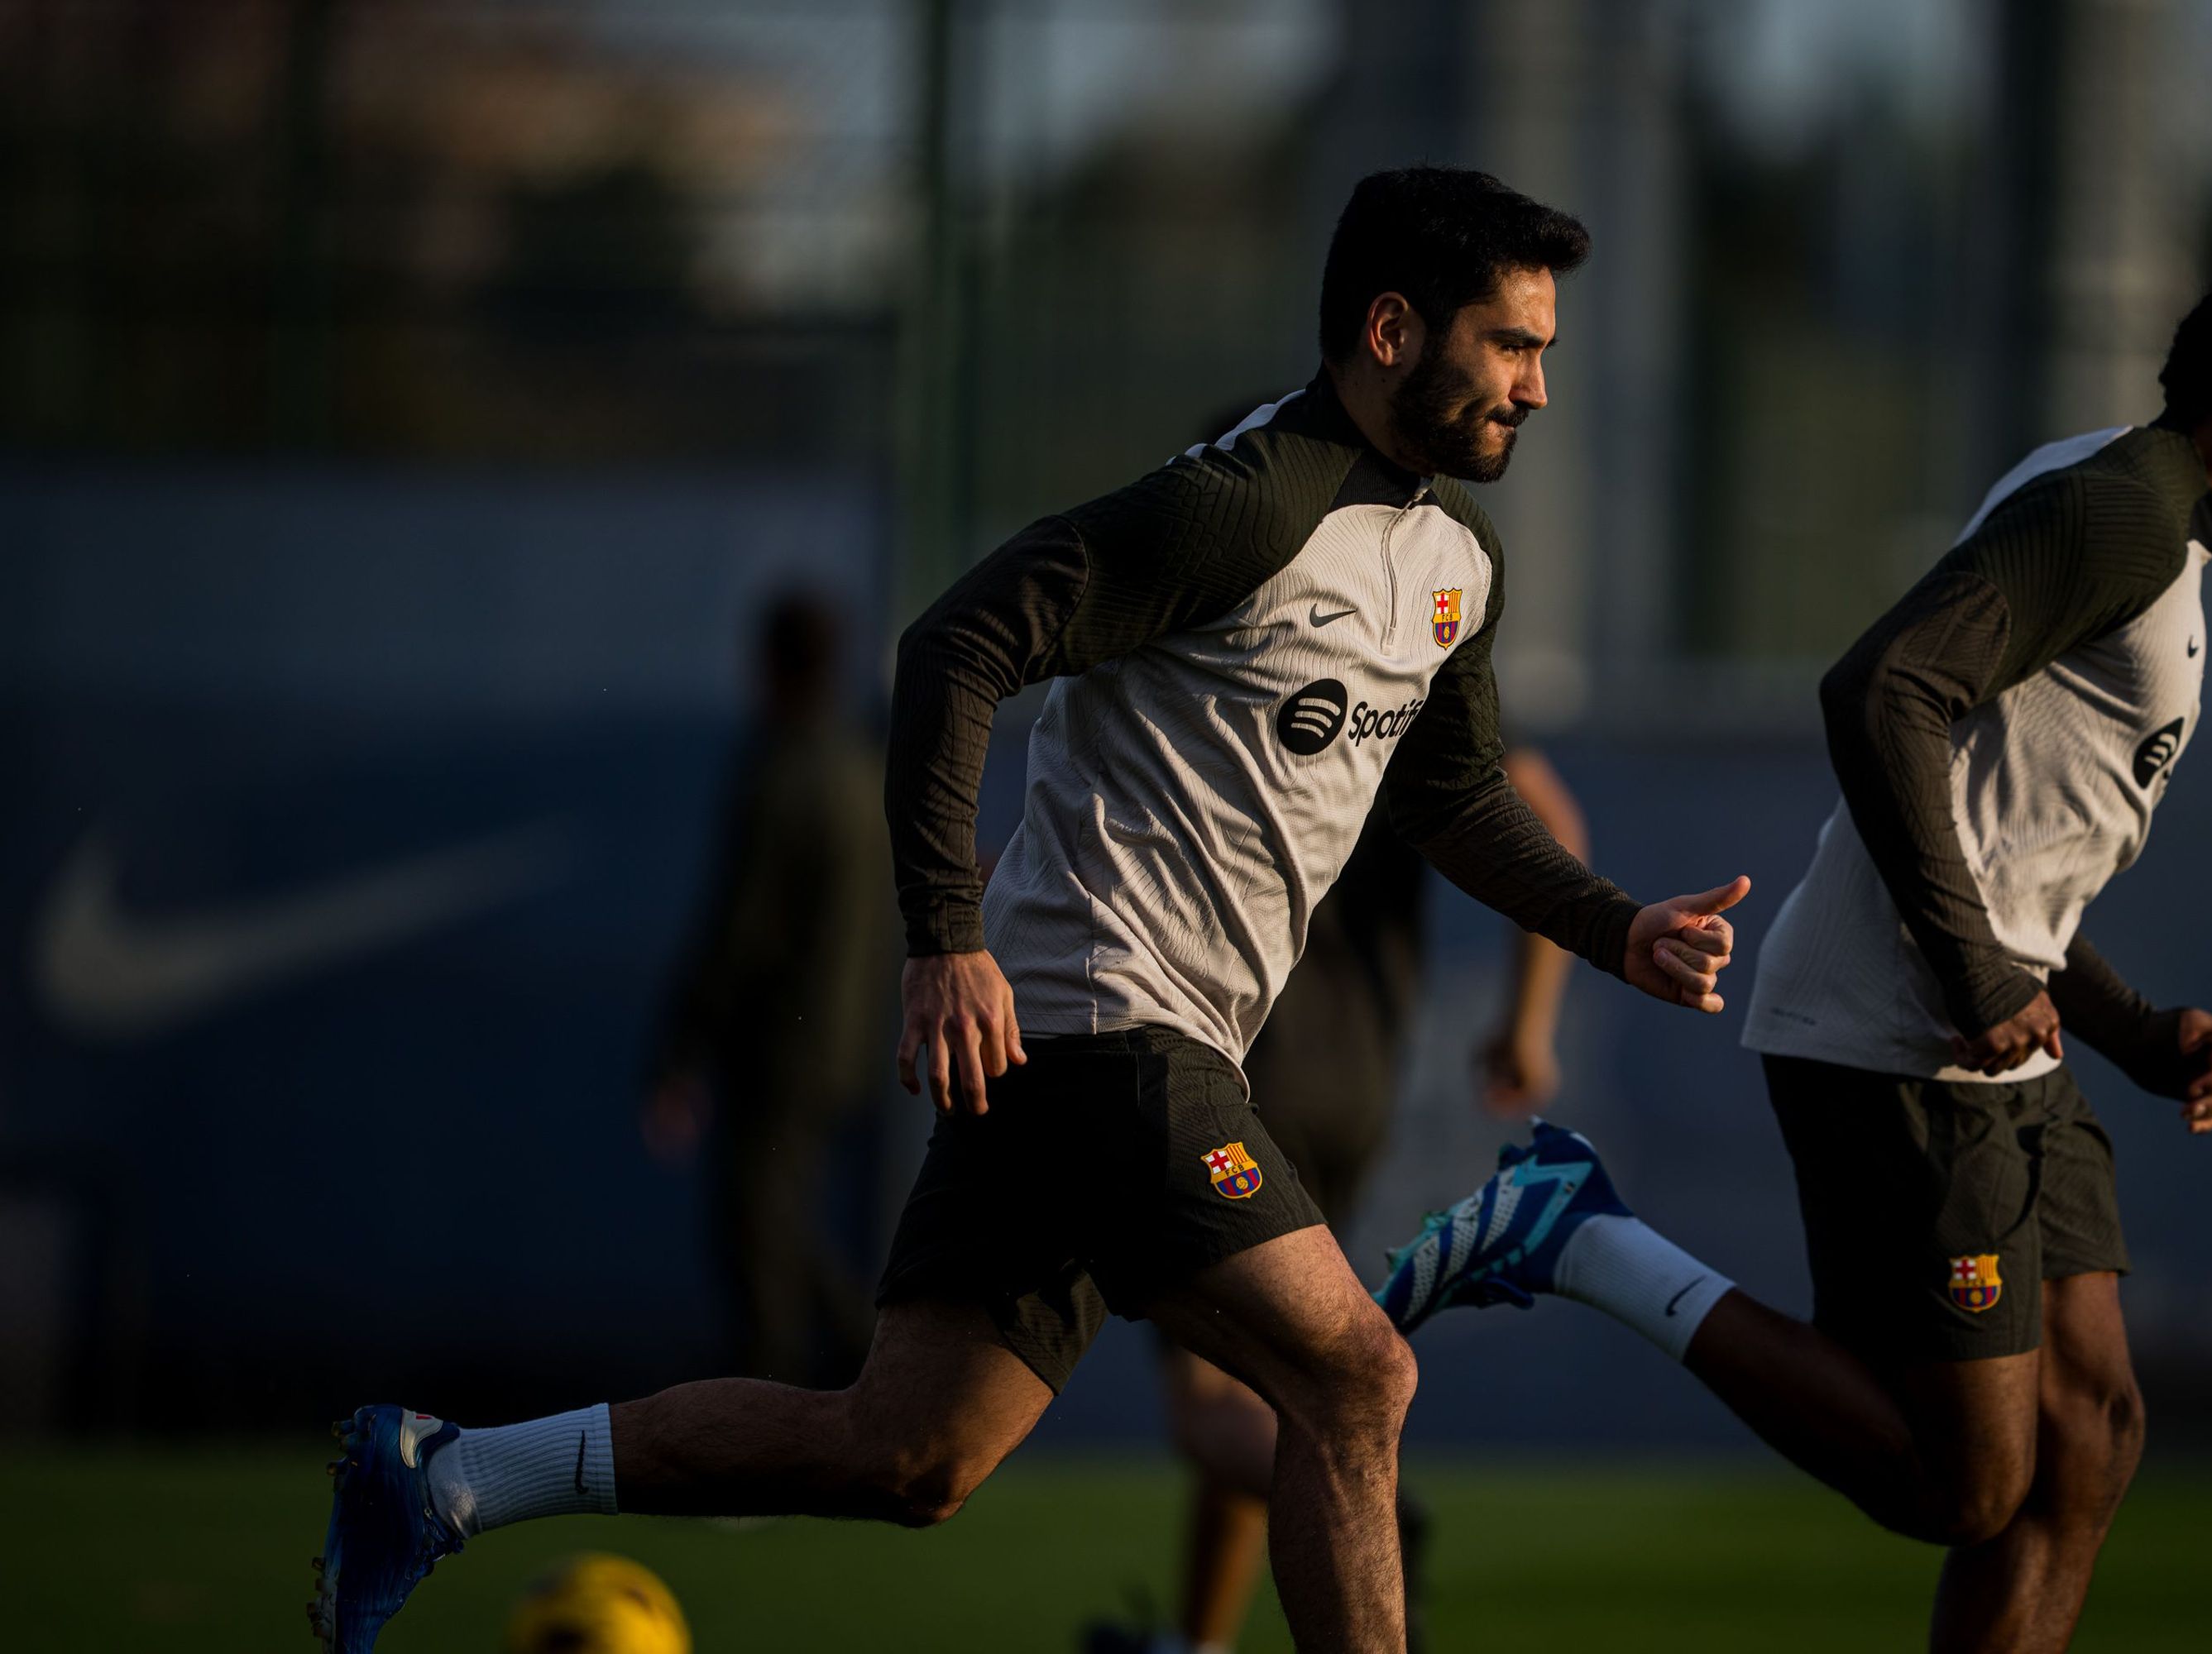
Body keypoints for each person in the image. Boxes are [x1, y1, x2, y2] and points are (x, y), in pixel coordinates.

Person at [309, 165, 1749, 1654]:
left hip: (1092, 1055)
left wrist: (1612, 926)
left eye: (1545, 352)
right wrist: (945, 937)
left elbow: (1456, 800)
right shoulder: (1241, 504)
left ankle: (448, 1477)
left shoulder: (1457, 563)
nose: (1536, 388)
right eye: (1511, 346)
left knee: (907, 1455)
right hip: (1107, 1031)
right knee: (1358, 1376)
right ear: (1392, 331)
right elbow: (956, 646)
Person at [1377, 246, 2212, 1653]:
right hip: (1896, 1040)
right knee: (1964, 1485)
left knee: (2092, 1440)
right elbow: (1881, 690)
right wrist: (1973, 973)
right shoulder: (2119, 509)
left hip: (1995, 1042)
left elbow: (2007, 863)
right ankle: (1579, 1237)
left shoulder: (2151, 519)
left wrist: (2136, 1029)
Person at [1088, 748, 1589, 1654]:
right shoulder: (1402, 690)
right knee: (1267, 1361)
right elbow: (1548, 813)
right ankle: (1197, 1639)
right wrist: (1528, 1021)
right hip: (1357, 1082)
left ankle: (1373, 1504)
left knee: (1211, 1402)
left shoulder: (1239, 685)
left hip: (1237, 1072)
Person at [642, 590, 896, 1387]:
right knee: (782, 1228)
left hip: (777, 1051)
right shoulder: (860, 771)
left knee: (760, 1239)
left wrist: (679, 1053)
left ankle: (816, 1390)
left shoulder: (781, 774)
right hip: (842, 1050)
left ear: (769, 666)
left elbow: (739, 930)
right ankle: (875, 1369)